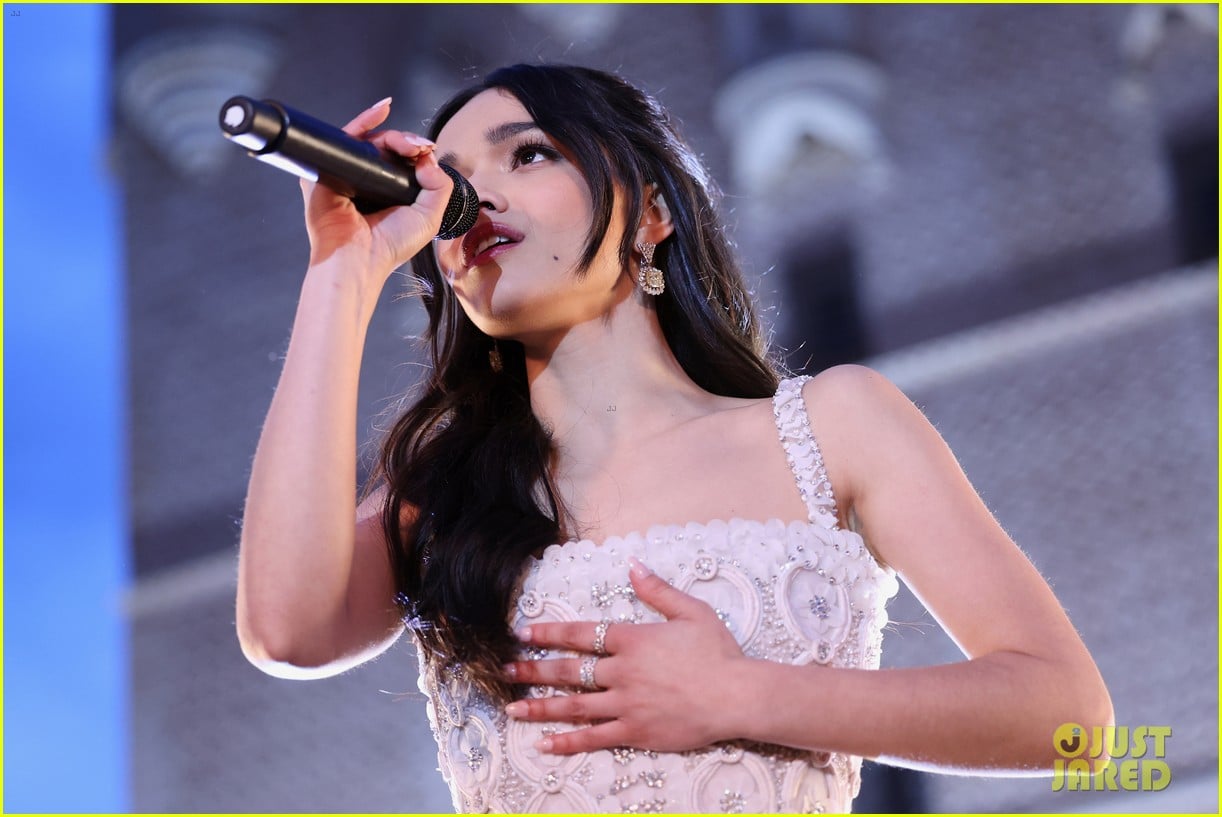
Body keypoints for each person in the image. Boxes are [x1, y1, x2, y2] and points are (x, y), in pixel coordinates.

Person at [236, 63, 1113, 813]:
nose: (473, 200)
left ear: (650, 212)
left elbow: (1070, 718)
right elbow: (286, 631)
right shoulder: (448, 494)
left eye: (528, 153)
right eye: (452, 179)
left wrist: (743, 693)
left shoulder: (831, 427)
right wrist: (339, 273)